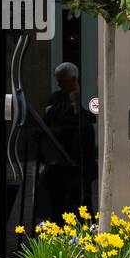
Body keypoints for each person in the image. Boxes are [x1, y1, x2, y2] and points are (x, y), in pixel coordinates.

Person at [41, 62, 97, 221]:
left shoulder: (76, 100)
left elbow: (84, 120)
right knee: (59, 209)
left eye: (61, 80)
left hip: (79, 165)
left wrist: (74, 108)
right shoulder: (57, 97)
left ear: (72, 79)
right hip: (61, 164)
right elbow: (55, 122)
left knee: (81, 206)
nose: (58, 84)